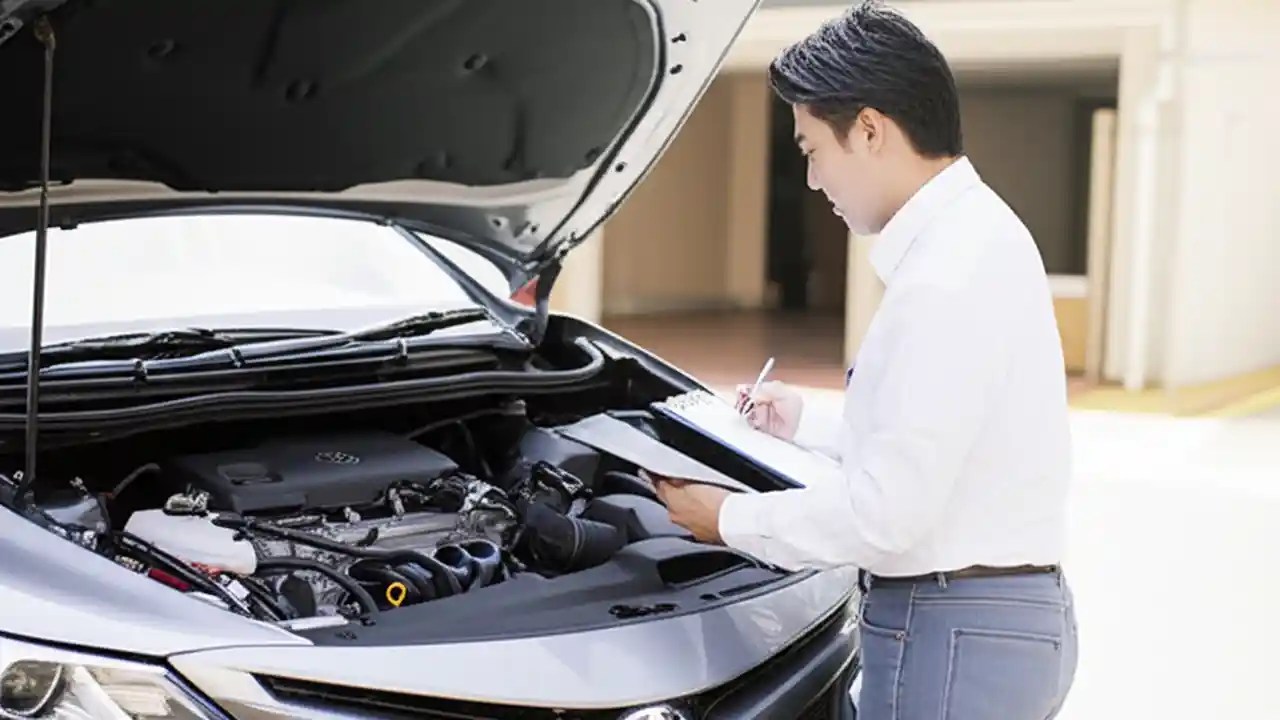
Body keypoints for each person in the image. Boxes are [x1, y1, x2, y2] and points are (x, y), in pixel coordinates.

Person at [649, 2, 1079, 718]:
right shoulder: (981, 236)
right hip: (998, 619)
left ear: (871, 130)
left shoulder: (944, 276)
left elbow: (886, 518)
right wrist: (807, 421)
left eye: (812, 149)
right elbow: (944, 441)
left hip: (955, 632)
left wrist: (727, 519)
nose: (813, 182)